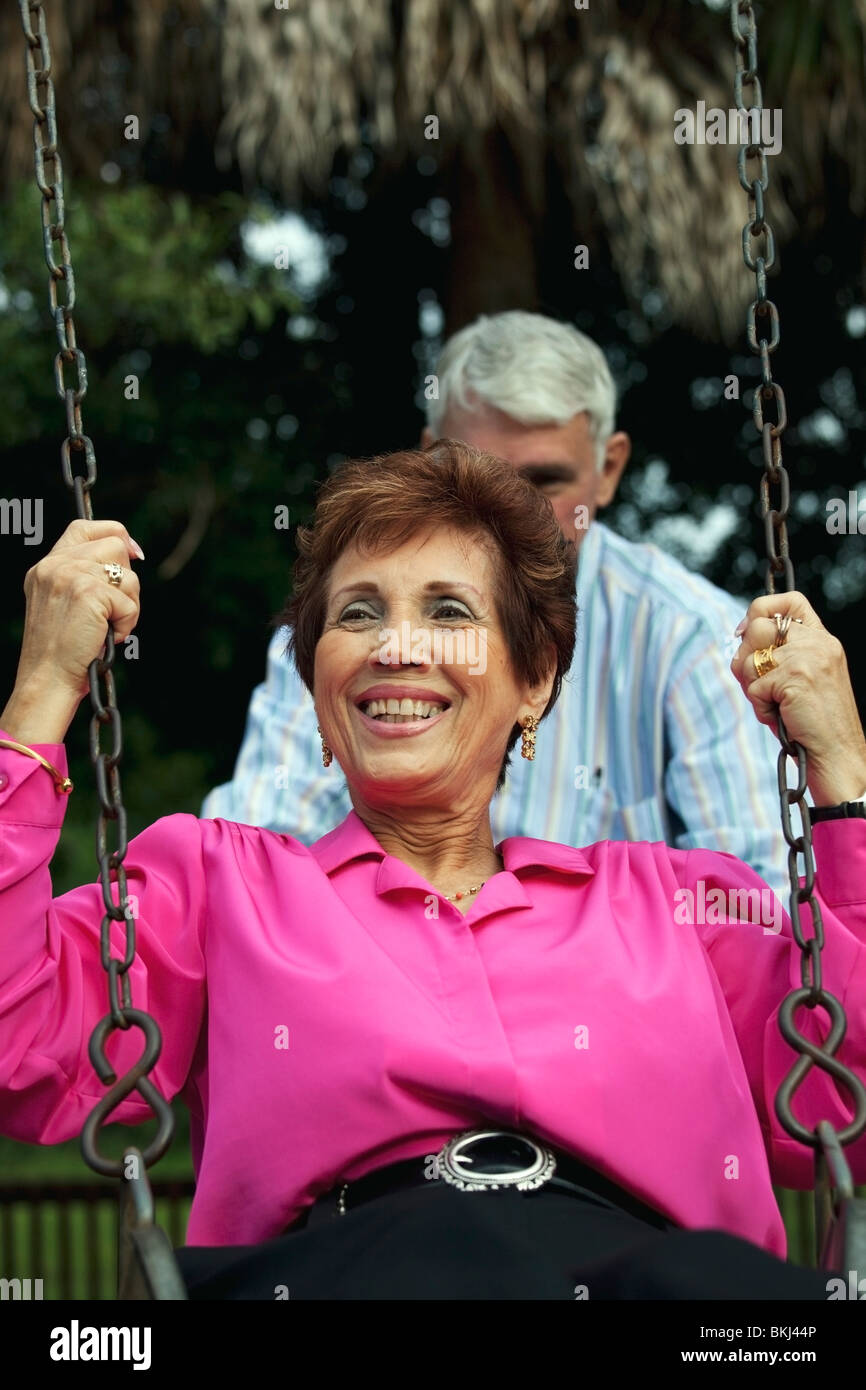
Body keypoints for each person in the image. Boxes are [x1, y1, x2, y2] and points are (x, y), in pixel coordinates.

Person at [1, 441, 864, 1302]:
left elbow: (849, 1095)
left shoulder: (679, 903)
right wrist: (41, 690)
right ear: (315, 685)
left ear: (535, 681)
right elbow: (20, 1044)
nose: (397, 647)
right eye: (359, 615)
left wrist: (844, 778)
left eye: (449, 610)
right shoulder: (217, 887)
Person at [201, 310, 790, 900]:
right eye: (485, 478)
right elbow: (252, 865)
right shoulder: (344, 632)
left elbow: (759, 900)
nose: (516, 513)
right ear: (432, 460)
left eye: (545, 483)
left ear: (608, 469)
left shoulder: (693, 635)